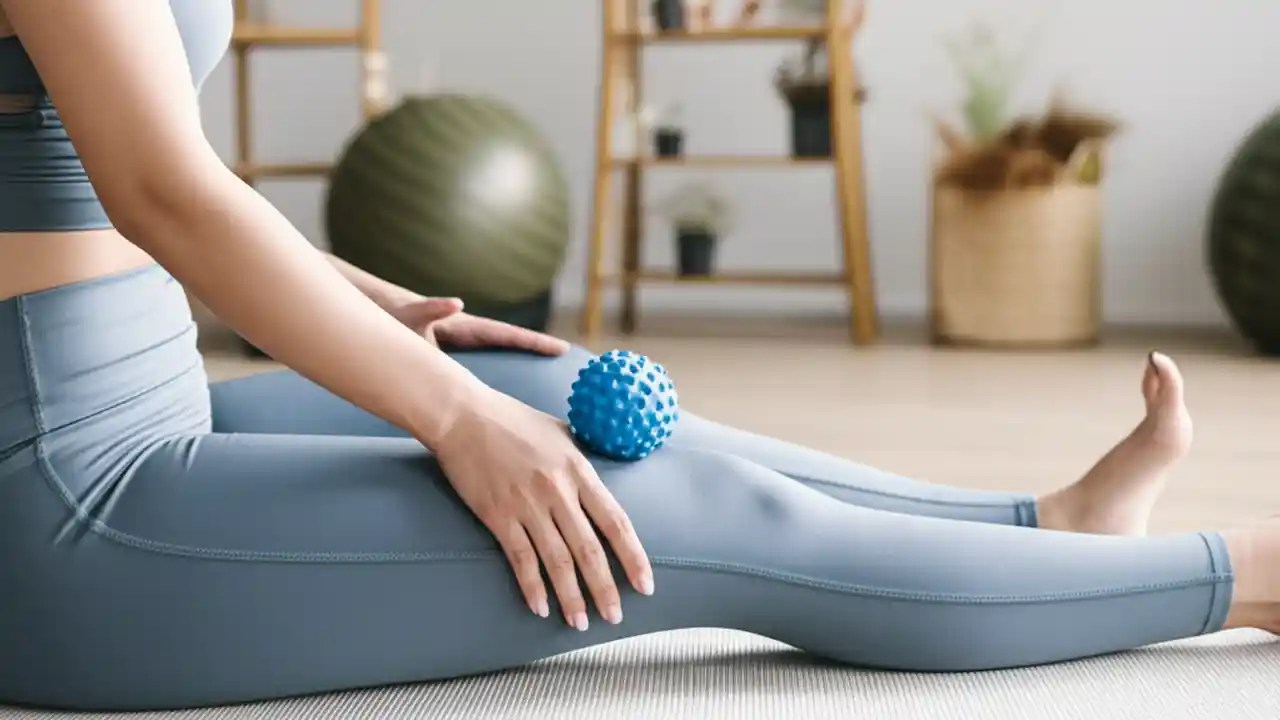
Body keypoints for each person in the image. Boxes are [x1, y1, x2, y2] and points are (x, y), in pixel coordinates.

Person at [0, 0, 1274, 712]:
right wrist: (447, 418)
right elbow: (161, 192)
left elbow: (160, 165)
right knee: (672, 513)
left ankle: (1048, 526)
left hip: (149, 397)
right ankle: (1246, 578)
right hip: (55, 500)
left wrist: (380, 311)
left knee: (554, 399)